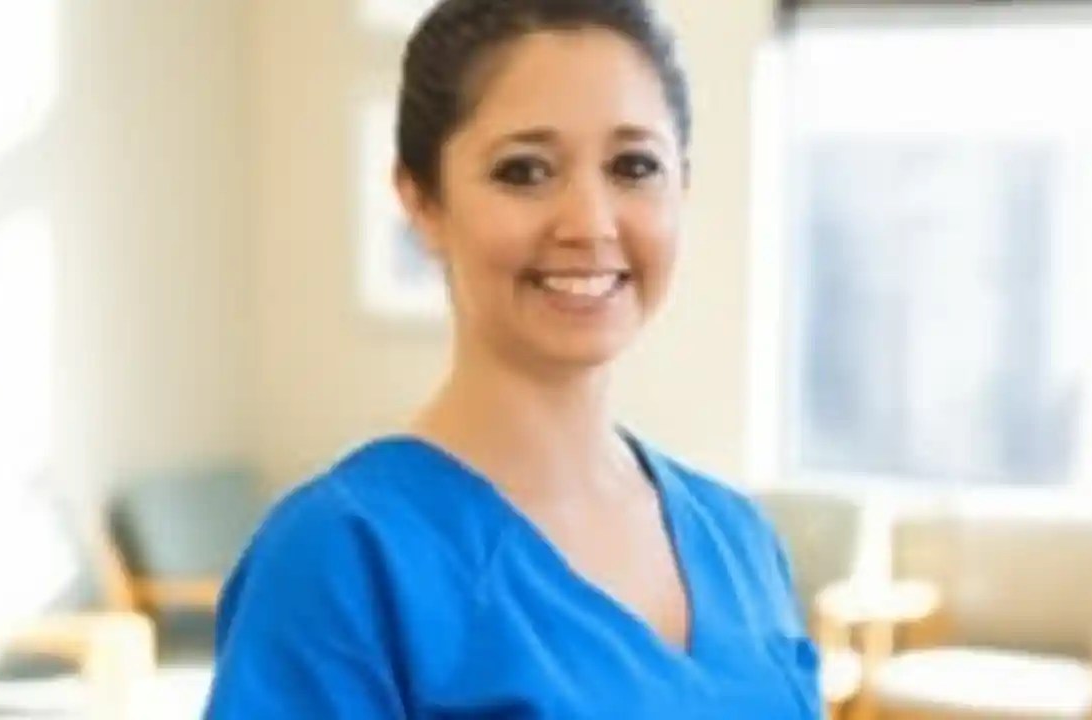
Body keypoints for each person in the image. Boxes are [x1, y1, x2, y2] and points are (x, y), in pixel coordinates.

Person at [207, 0, 821, 716]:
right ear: (422, 200)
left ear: (681, 186)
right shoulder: (341, 560)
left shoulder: (743, 544)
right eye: (524, 171)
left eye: (633, 166)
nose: (590, 223)